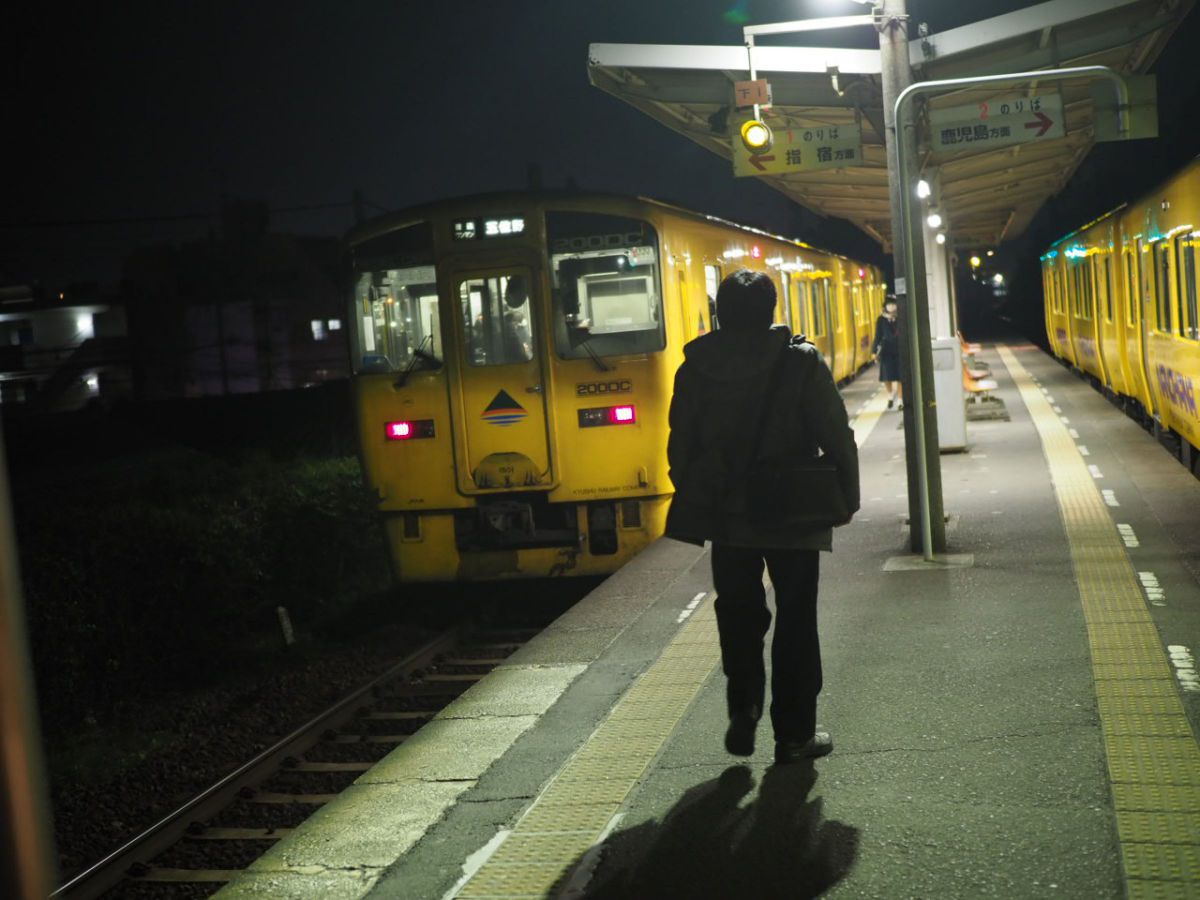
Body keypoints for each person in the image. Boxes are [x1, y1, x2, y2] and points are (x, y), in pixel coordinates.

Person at [665, 269, 860, 765]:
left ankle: (744, 704)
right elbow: (836, 435)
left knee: (738, 613)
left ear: (719, 314)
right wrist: (847, 498)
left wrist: (696, 495)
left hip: (728, 515)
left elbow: (680, 446)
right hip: (794, 509)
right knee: (796, 618)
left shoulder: (696, 366)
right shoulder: (800, 363)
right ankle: (795, 735)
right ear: (772, 312)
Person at [872, 296, 902, 409]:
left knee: (901, 377)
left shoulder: (900, 318)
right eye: (889, 304)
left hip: (899, 350)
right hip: (886, 352)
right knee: (887, 376)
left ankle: (900, 400)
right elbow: (877, 336)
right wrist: (874, 351)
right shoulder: (881, 320)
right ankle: (890, 396)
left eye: (893, 304)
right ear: (885, 306)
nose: (891, 306)